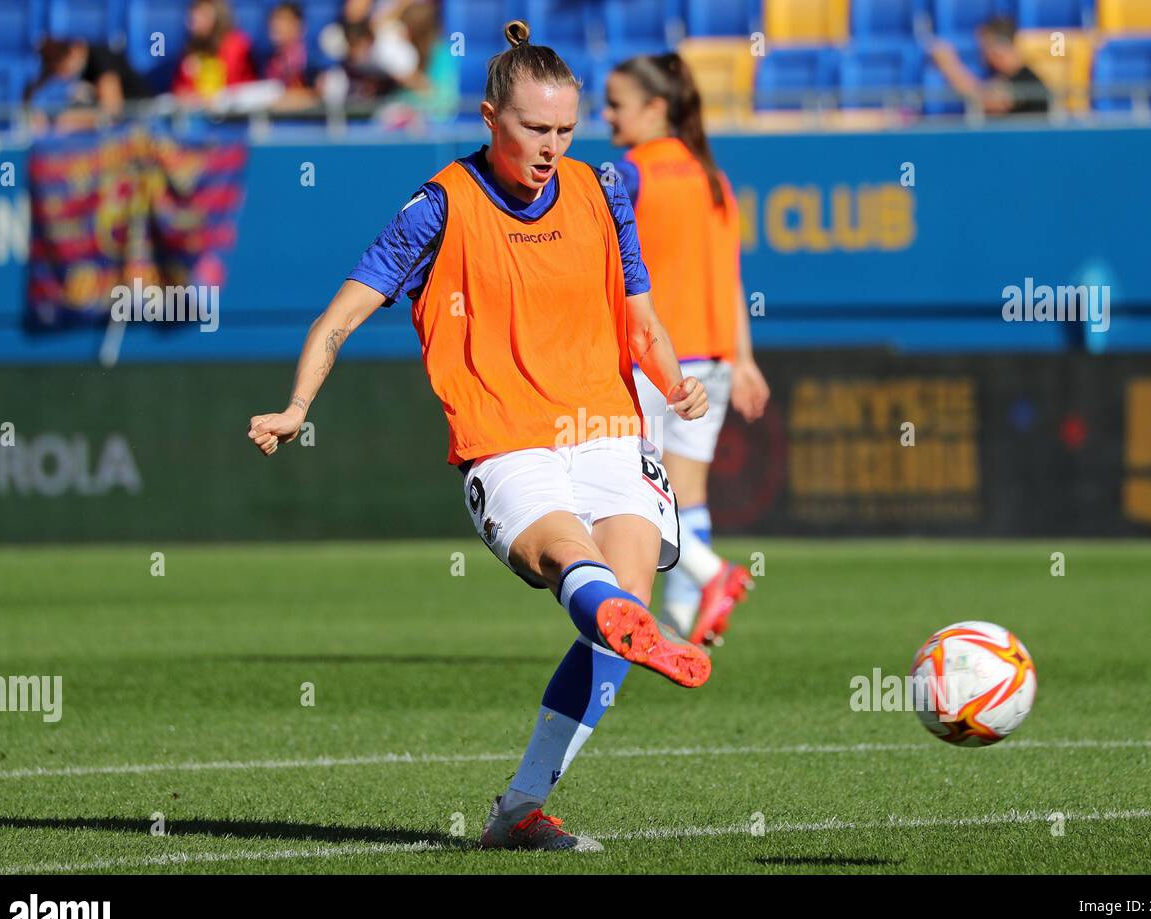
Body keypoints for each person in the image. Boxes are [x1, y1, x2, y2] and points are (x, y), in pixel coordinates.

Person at [247, 20, 712, 852]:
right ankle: (616, 628)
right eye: (535, 129)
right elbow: (339, 317)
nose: (551, 147)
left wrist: (676, 382)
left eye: (566, 130)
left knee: (616, 613)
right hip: (505, 437)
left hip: (607, 425)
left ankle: (520, 810)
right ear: (492, 116)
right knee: (576, 562)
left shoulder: (603, 189)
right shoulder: (437, 207)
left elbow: (640, 318)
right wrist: (296, 407)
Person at [602, 53, 770, 646]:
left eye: (616, 104)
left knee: (630, 493)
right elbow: (730, 277)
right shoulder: (711, 175)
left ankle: (701, 581)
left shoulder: (628, 174)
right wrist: (743, 358)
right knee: (686, 495)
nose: (606, 115)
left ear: (655, 107)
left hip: (656, 357)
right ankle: (680, 621)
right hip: (714, 358)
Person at [929, 15, 1049, 115]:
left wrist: (949, 66)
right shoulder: (1006, 78)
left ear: (998, 48)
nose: (981, 56)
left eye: (984, 48)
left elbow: (984, 101)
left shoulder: (1025, 80)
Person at [172, 0, 257, 101]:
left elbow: (235, 85)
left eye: (202, 16)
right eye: (192, 17)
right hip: (198, 110)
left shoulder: (236, 44)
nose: (193, 23)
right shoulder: (191, 48)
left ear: (218, 17)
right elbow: (180, 88)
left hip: (233, 111)